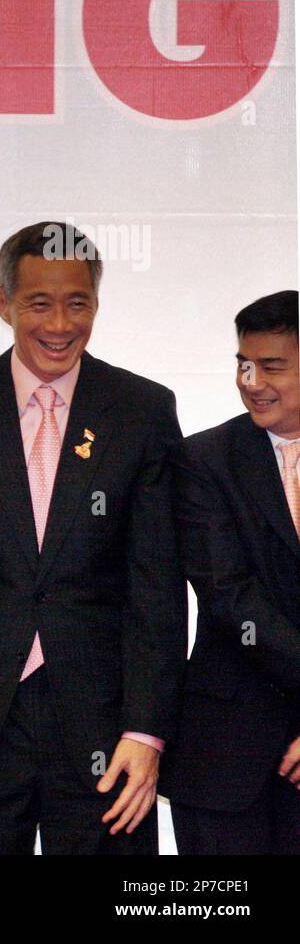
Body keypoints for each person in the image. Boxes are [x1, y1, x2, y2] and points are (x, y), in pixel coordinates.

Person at [0, 220, 185, 854]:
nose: (59, 323)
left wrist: (147, 731)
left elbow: (156, 585)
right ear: (3, 303)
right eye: (38, 303)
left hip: (107, 728)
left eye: (78, 303)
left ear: (97, 304)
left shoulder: (143, 408)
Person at [162, 290, 300, 854]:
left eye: (271, 366)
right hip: (225, 756)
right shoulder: (204, 460)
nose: (251, 380)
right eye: (243, 363)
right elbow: (228, 594)